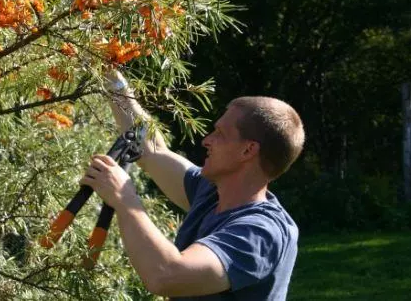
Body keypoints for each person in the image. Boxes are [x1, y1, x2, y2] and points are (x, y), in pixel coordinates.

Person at [80, 71, 305, 300]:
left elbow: (167, 275)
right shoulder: (210, 191)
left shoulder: (262, 232)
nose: (206, 140)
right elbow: (149, 150)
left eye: (220, 134)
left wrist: (124, 198)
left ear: (248, 150)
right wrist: (113, 79)